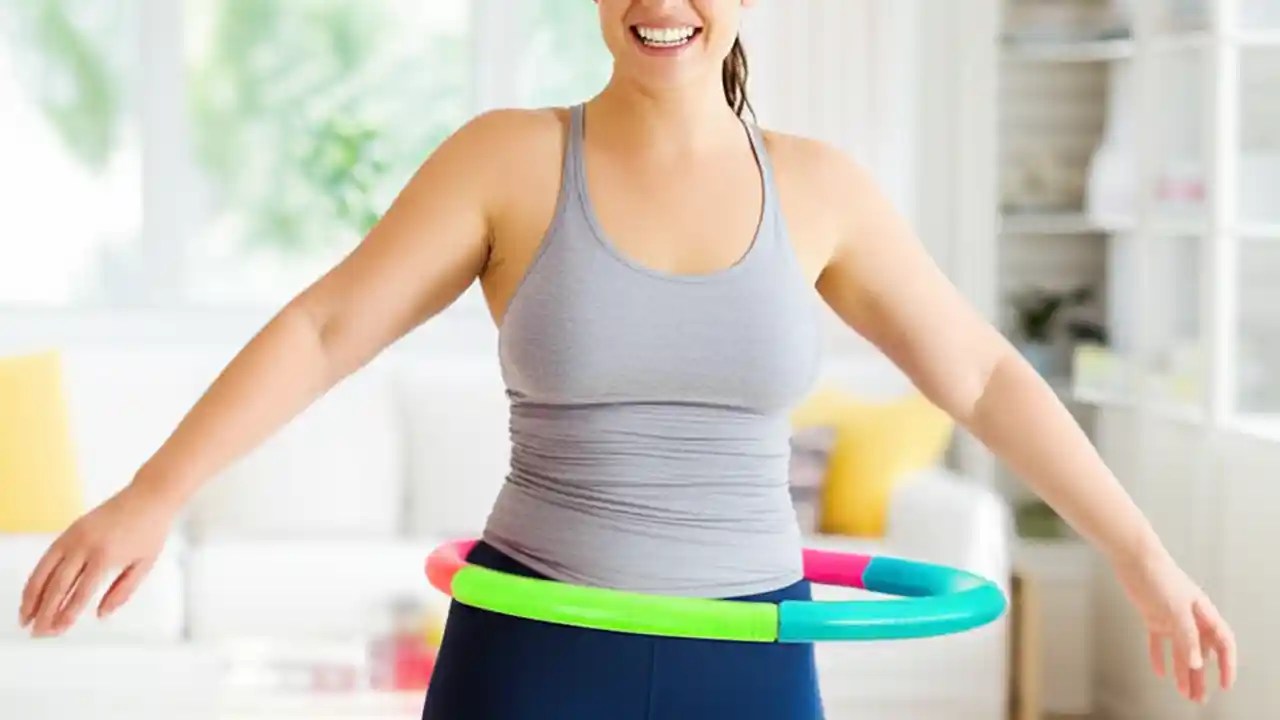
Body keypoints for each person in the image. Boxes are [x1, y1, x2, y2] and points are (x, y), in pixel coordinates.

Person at [19, 0, 1236, 717]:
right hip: (534, 649)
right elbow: (326, 326)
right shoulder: (505, 157)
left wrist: (1139, 555)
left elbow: (979, 376)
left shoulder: (820, 190)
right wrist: (152, 495)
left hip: (751, 660)